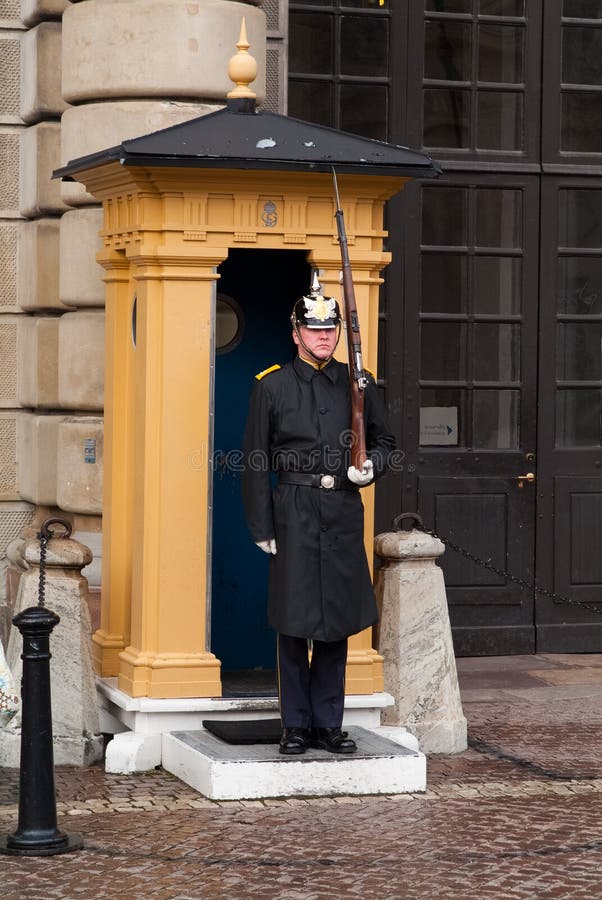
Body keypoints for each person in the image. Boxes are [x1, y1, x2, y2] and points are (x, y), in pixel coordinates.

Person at [242, 276, 395, 756]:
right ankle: (294, 725)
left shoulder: (359, 383)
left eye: (329, 329)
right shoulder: (272, 386)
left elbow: (386, 441)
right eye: (313, 329)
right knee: (294, 623)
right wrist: (262, 525)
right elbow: (254, 460)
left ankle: (329, 724)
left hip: (343, 510)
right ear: (296, 334)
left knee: (336, 623)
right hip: (293, 512)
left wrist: (372, 467)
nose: (323, 337)